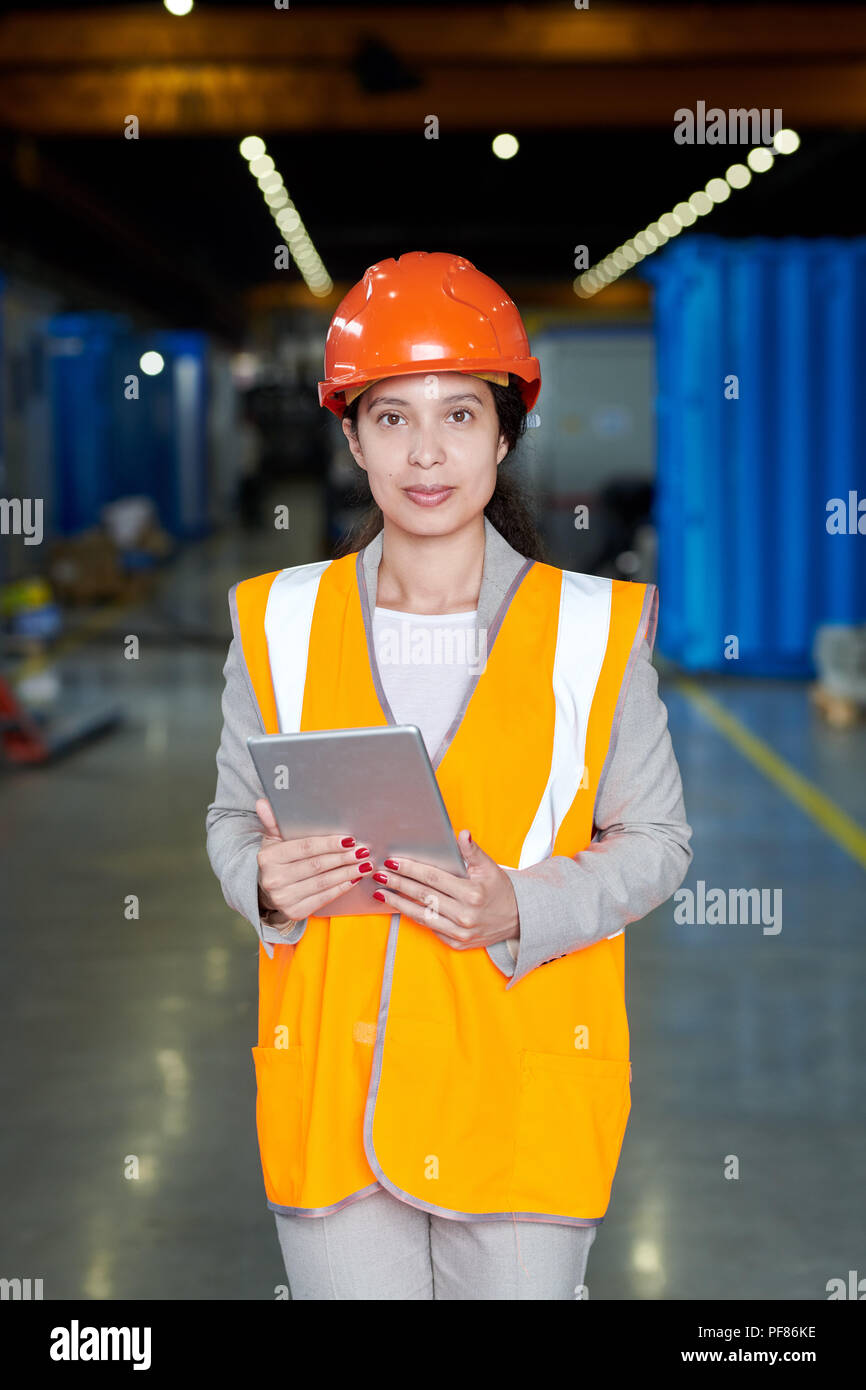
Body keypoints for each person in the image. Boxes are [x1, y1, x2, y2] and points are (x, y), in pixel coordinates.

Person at [206, 251, 693, 1300]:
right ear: (350, 433)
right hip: (335, 1098)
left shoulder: (590, 629)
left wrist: (519, 902)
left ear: (504, 428)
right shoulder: (277, 622)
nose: (426, 453)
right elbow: (228, 821)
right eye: (391, 417)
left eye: (459, 415)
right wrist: (259, 883)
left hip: (515, 1094)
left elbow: (655, 846)